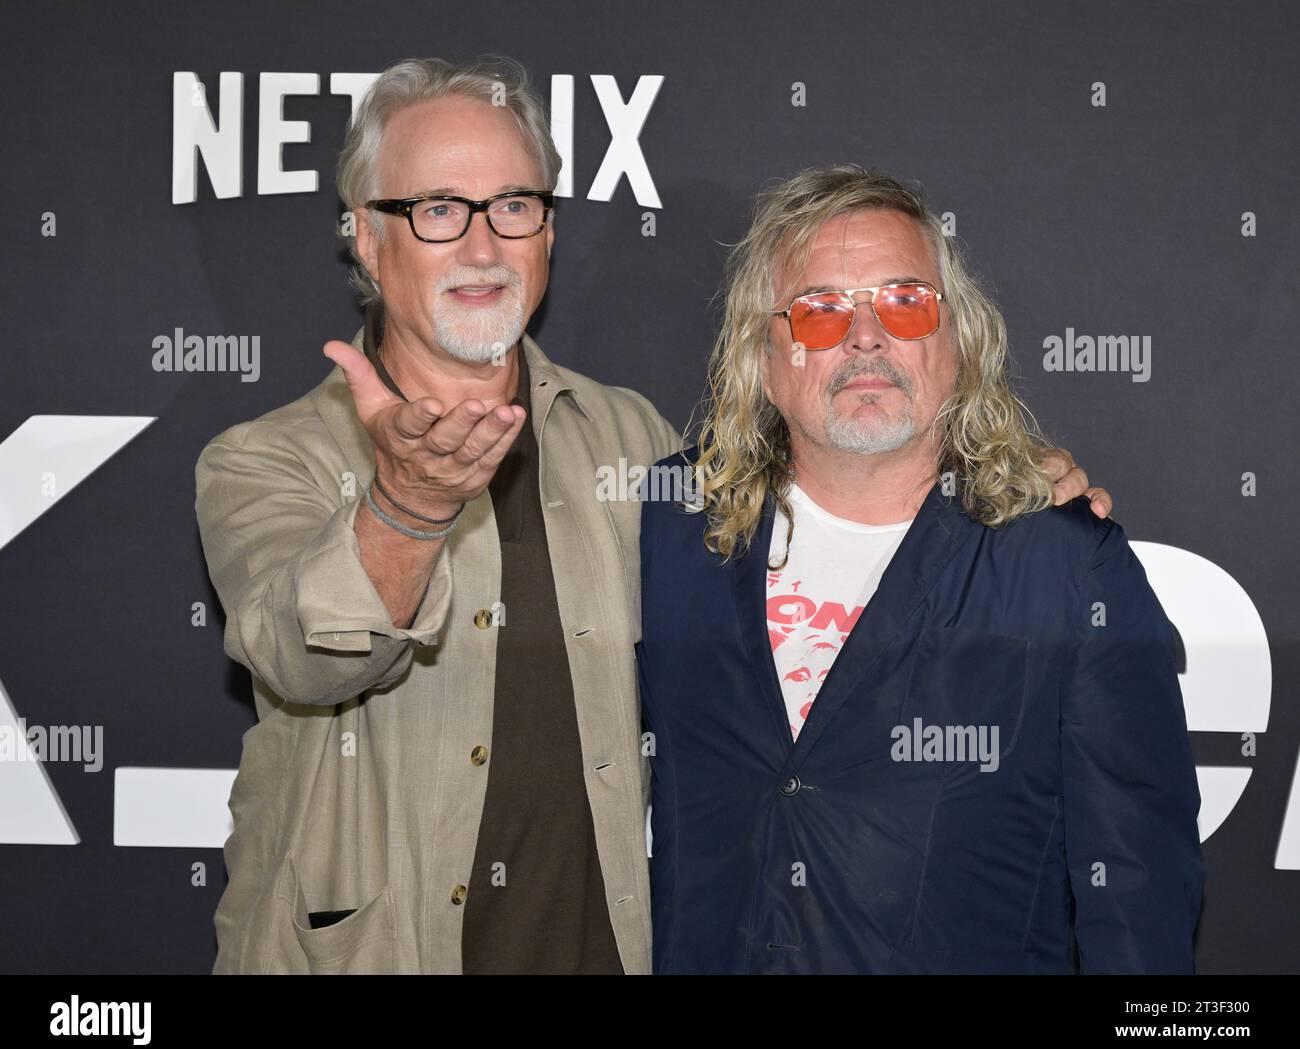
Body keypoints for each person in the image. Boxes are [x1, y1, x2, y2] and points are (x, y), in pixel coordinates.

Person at [195, 56, 1109, 974]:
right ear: (365, 235)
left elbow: (833, 491)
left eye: (514, 206)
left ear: (547, 234)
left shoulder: (631, 440)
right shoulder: (268, 460)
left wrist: (1002, 482)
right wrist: (406, 503)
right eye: (437, 209)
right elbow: (302, 655)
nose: (482, 247)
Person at [636, 165, 1201, 974]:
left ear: (959, 341)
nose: (866, 336)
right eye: (821, 310)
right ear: (762, 357)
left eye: (905, 302)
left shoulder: (1070, 570)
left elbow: (1140, 900)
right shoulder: (672, 527)